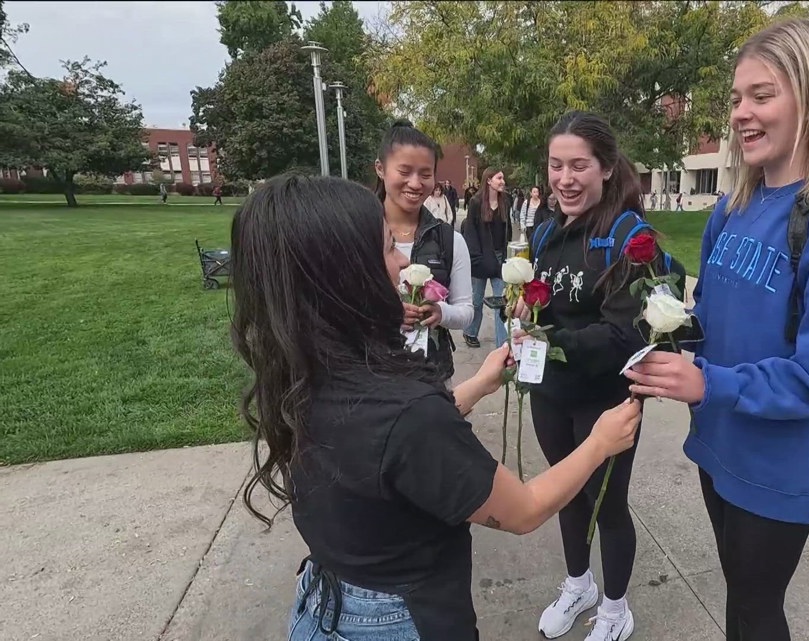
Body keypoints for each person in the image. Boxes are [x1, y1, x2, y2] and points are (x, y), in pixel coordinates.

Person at [228, 174, 643, 641]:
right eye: (389, 248)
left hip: (324, 601)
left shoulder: (307, 375)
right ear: (348, 276)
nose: (404, 263)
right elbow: (523, 510)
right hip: (399, 623)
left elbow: (385, 443)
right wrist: (599, 443)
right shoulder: (410, 413)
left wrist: (478, 386)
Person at [623, 18, 809, 641]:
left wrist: (707, 383)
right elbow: (712, 323)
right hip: (719, 442)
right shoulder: (732, 207)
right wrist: (658, 327)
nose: (741, 113)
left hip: (778, 463)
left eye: (762, 95)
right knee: (740, 601)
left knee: (757, 608)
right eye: (737, 98)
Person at [513, 111, 660, 641]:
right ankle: (579, 584)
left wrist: (549, 340)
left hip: (606, 401)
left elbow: (623, 334)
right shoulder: (545, 231)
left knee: (607, 503)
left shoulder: (629, 237)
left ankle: (616, 609)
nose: (565, 178)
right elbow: (540, 302)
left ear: (606, 168)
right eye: (556, 166)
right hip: (552, 393)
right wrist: (522, 315)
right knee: (566, 493)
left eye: (579, 165)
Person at [373, 120, 472, 383]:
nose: (415, 183)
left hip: (433, 377)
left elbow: (465, 311)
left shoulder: (450, 240)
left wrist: (440, 312)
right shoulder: (359, 233)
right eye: (404, 171)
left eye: (426, 174)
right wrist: (386, 314)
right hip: (373, 376)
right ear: (380, 169)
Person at [460, 167, 511, 349]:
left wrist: (507, 255)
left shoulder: (505, 201)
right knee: (476, 300)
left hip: (499, 258)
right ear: (489, 180)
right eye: (499, 178)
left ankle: (502, 344)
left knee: (502, 302)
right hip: (480, 258)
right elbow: (471, 232)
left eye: (503, 178)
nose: (502, 181)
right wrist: (475, 258)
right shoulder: (476, 202)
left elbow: (507, 230)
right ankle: (470, 331)